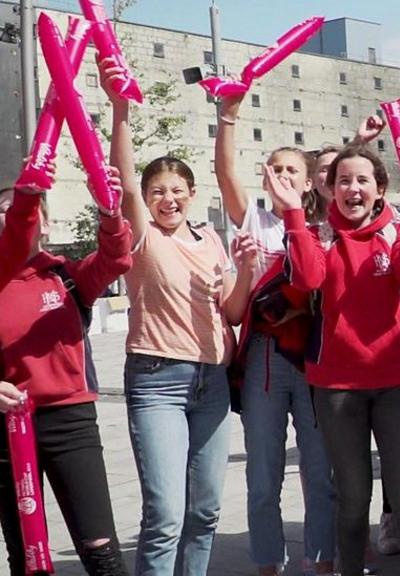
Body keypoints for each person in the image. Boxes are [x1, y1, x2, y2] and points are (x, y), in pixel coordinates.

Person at [103, 49, 256, 575]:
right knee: (166, 512)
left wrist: (248, 270)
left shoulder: (210, 238)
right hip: (156, 378)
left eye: (176, 191)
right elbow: (122, 180)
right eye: (157, 192)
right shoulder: (143, 235)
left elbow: (233, 311)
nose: (168, 199)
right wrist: (120, 110)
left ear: (192, 194)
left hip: (211, 380)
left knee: (206, 509)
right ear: (146, 200)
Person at [271, 144, 400, 576]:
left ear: (380, 188)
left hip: (395, 382)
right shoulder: (315, 235)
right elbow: (307, 279)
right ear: (329, 188)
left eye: (363, 180)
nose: (353, 188)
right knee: (352, 499)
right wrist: (293, 212)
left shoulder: (399, 229)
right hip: (337, 388)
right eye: (343, 180)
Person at [214, 93, 337, 576]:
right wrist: (228, 116)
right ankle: (268, 563)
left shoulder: (327, 229)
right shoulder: (256, 222)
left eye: (291, 170)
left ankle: (322, 561)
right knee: (263, 476)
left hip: (315, 358)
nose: (280, 176)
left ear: (310, 182)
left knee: (318, 473)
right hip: (265, 357)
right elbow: (224, 175)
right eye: (272, 168)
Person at [0, 166, 132, 576]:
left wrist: (110, 211)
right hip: (8, 428)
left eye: (20, 208)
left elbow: (116, 259)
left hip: (71, 422)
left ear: (47, 221)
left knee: (100, 545)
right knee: (27, 549)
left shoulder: (65, 276)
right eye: (3, 209)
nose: (12, 216)